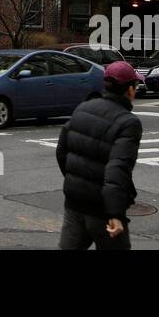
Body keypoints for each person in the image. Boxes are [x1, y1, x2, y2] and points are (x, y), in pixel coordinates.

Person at [55, 60, 144, 250]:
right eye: (135, 86)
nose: (135, 91)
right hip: (101, 210)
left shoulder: (83, 108)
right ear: (129, 89)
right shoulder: (128, 123)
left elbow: (62, 150)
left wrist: (76, 180)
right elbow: (118, 168)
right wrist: (115, 214)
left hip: (74, 203)